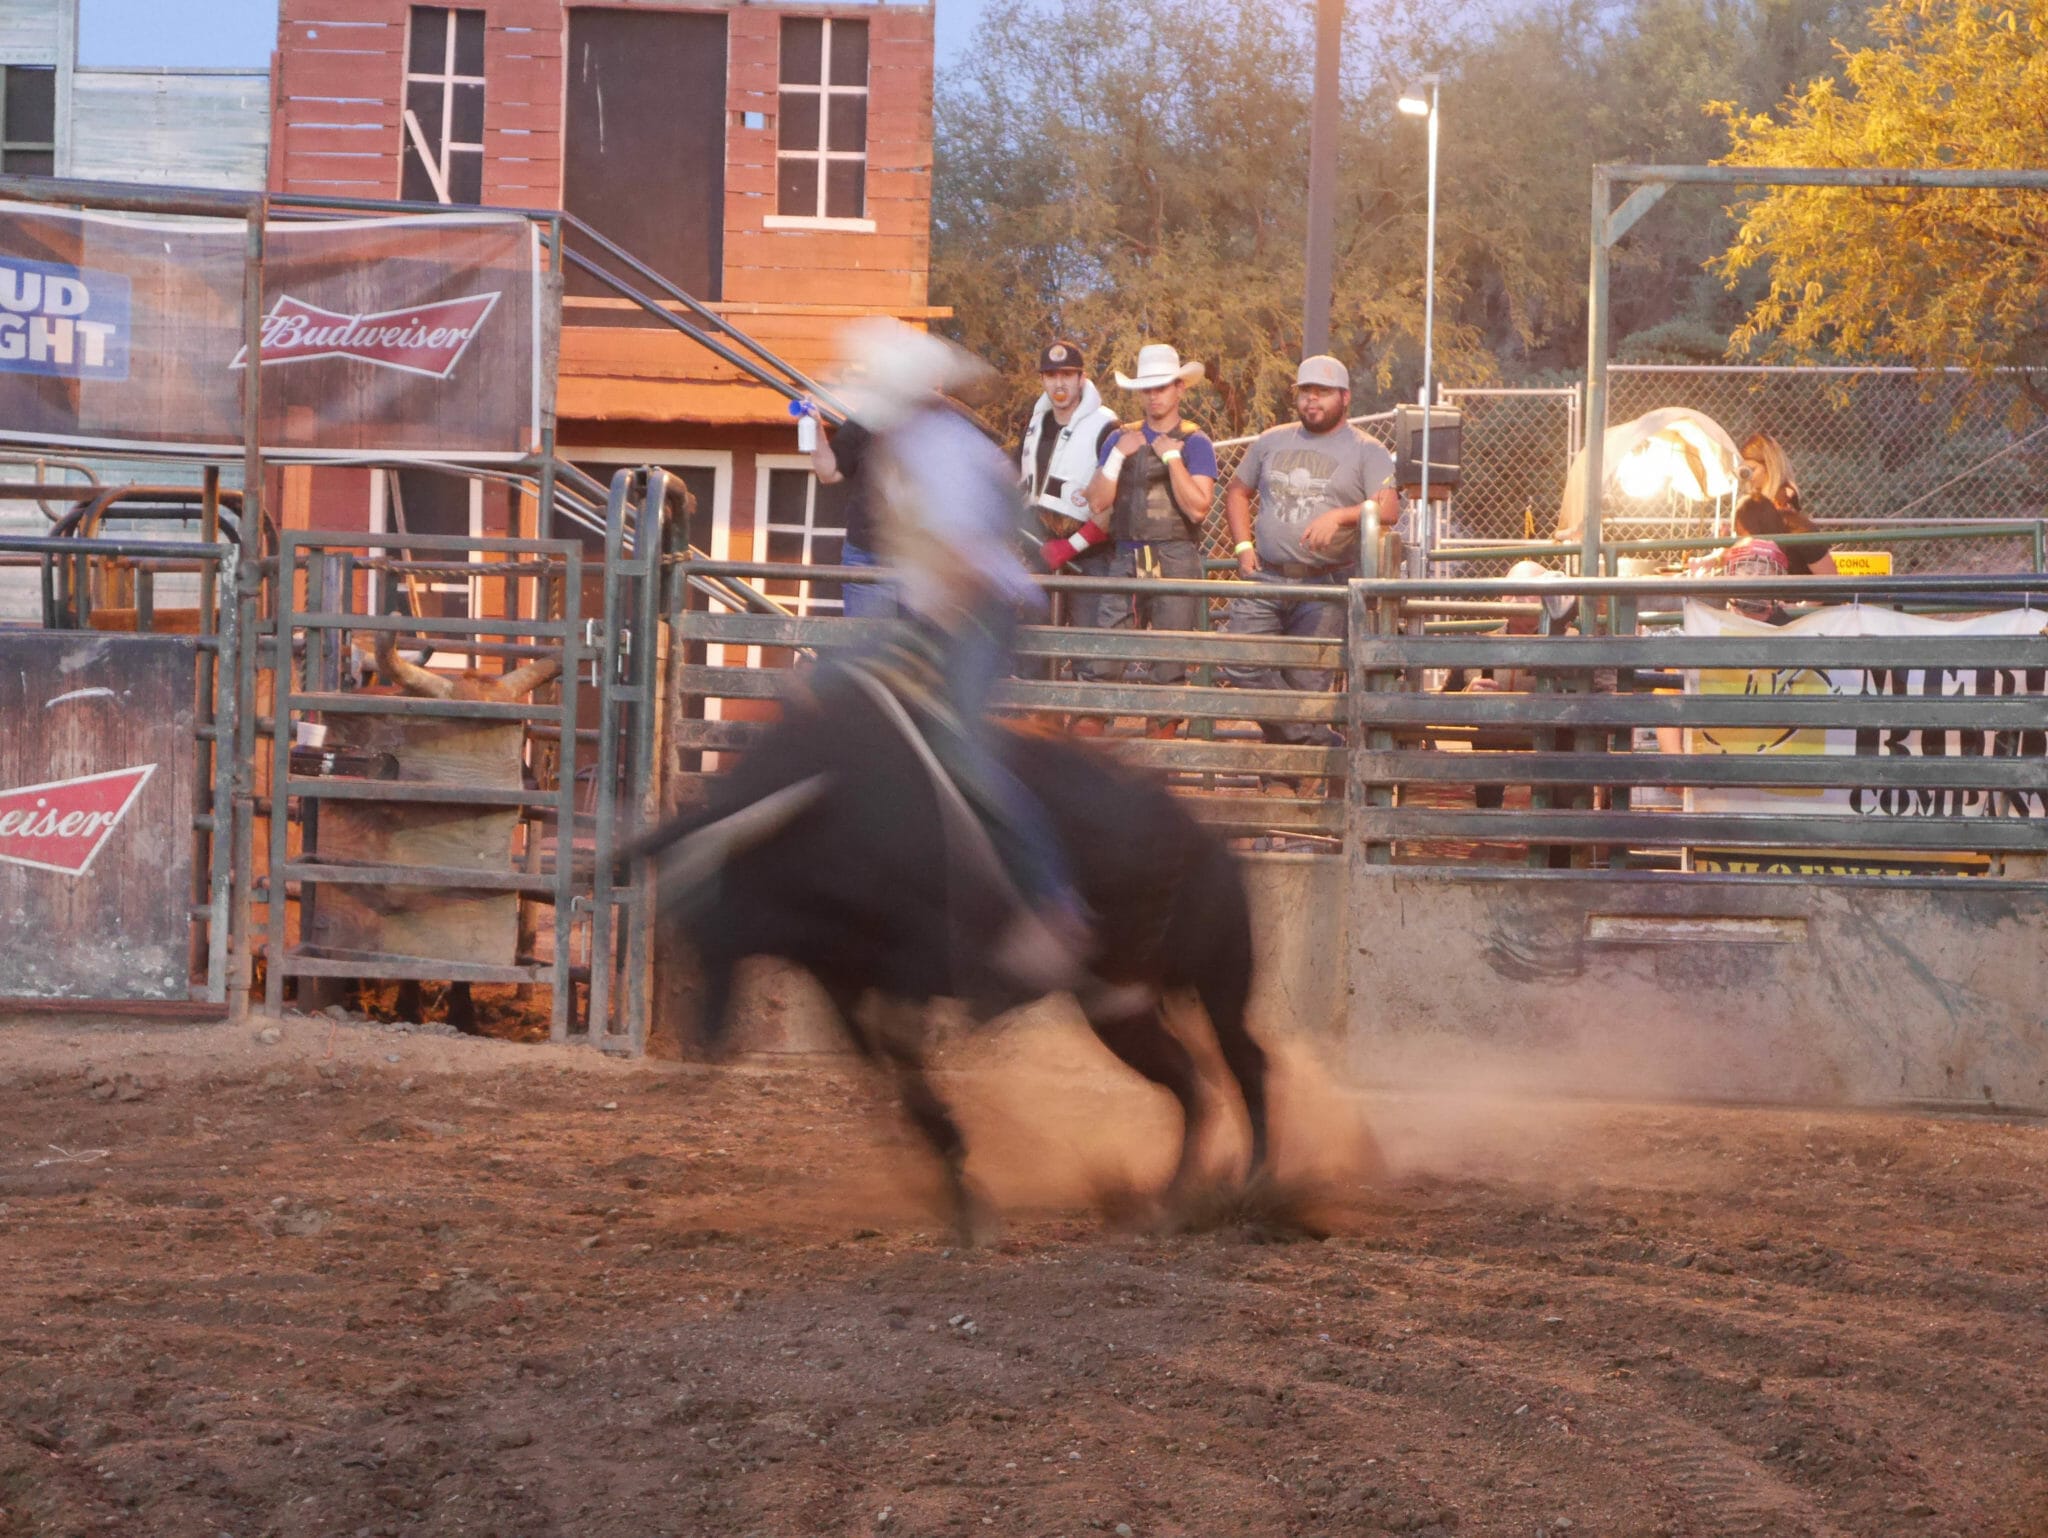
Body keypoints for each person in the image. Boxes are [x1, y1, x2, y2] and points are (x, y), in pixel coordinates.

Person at [841, 318, 1092, 989]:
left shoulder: (939, 448)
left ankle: (1052, 905)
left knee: (963, 753)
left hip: (978, 610)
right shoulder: (919, 445)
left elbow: (962, 560)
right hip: (940, 607)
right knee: (851, 701)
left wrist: (916, 641)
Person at [1221, 354, 1397, 778]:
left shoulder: (1366, 449)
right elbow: (1237, 492)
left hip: (1325, 585)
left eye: (1322, 392)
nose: (1312, 400)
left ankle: (1292, 799)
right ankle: (1324, 746)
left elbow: (1389, 508)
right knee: (1241, 665)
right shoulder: (1270, 441)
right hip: (1266, 575)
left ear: (1345, 397)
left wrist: (1341, 515)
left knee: (1306, 688)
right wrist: (1243, 545)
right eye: (1305, 392)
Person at [1074, 343, 1219, 738]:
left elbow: (1197, 509)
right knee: (1106, 650)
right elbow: (1098, 502)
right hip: (1126, 554)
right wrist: (1118, 457)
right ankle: (1091, 743)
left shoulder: (1195, 442)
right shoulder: (1120, 438)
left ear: (1178, 389)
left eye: (1162, 387)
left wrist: (1172, 459)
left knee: (1170, 659)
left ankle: (1162, 750)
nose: (1154, 395)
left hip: (1175, 554)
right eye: (1147, 388)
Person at [809, 388, 894, 618]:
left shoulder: (941, 427)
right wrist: (815, 429)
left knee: (919, 648)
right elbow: (829, 473)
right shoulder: (868, 419)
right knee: (863, 645)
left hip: (922, 558)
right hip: (865, 554)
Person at [1738, 430, 1802, 514]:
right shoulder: (1758, 495)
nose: (1749, 477)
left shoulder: (1785, 494)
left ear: (1769, 467)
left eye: (1753, 470)